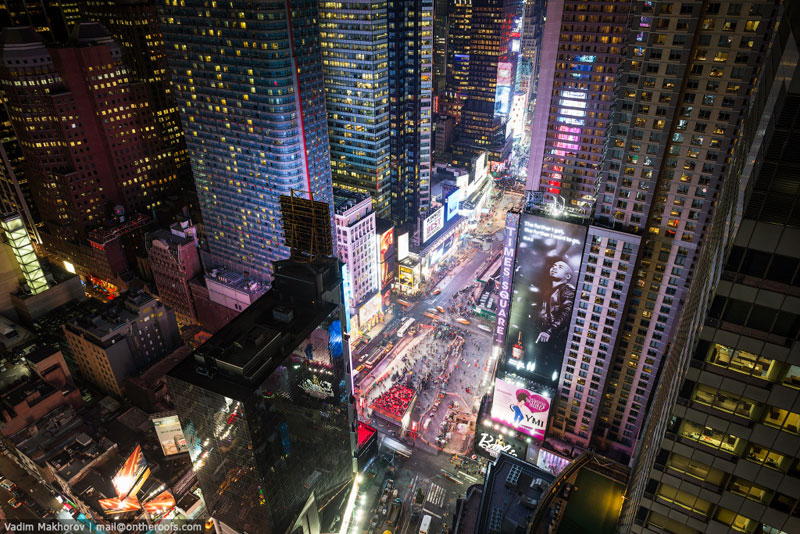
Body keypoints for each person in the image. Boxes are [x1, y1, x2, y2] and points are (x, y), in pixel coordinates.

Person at [535, 260, 577, 357]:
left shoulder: (567, 289)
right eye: (553, 265)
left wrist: (550, 331)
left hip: (553, 340)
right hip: (544, 336)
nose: (554, 268)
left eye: (560, 267)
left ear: (568, 276)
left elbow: (567, 313)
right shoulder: (550, 291)